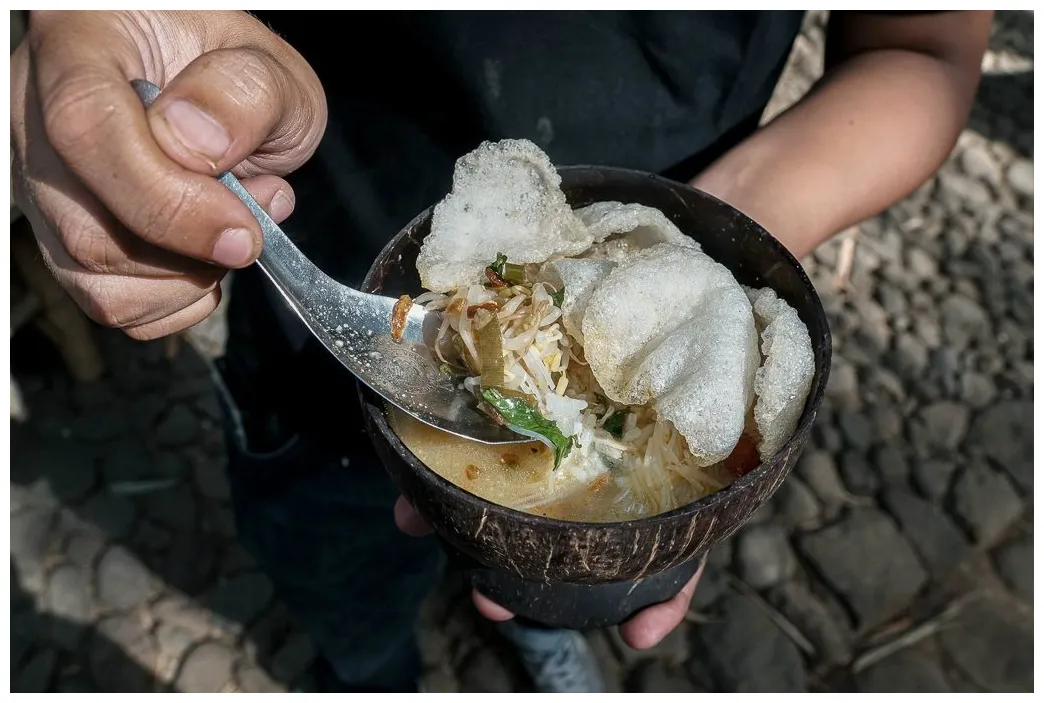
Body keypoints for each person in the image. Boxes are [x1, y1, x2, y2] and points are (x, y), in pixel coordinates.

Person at [11, 10, 992, 693]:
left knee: (547, 592)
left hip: (660, 254)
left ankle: (530, 626)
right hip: (322, 312)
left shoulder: (682, 302)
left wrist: (706, 274)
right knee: (333, 566)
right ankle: (366, 672)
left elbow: (924, 45)